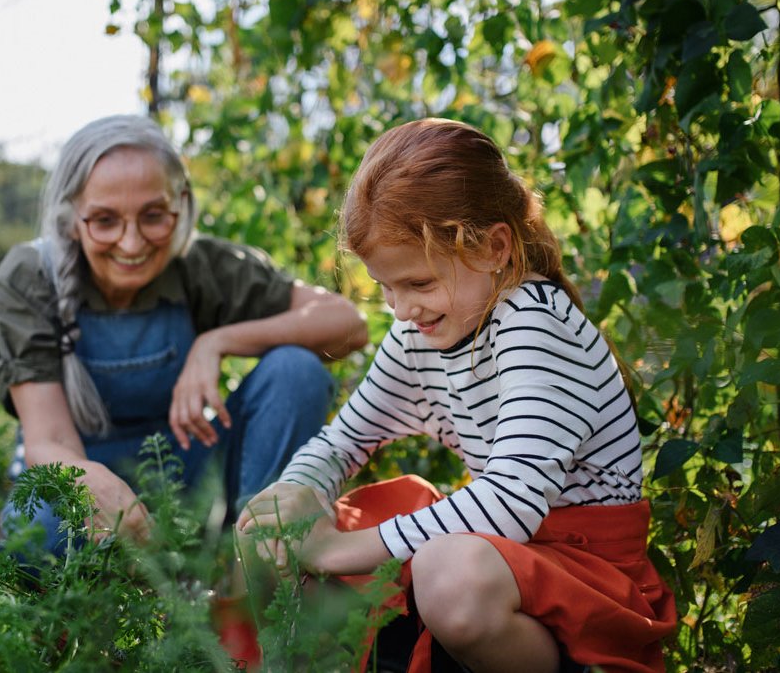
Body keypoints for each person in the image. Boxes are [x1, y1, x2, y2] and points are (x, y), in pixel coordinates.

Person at [238, 118, 677, 673]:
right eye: (385, 287)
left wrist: (335, 548)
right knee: (269, 524)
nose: (400, 308)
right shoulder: (422, 331)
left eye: (419, 284)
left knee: (449, 574)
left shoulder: (535, 325)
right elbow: (344, 441)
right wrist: (300, 490)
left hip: (584, 574)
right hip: (502, 554)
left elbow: (510, 504)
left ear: (494, 247)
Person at [0, 114, 368, 552]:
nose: (131, 244)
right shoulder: (30, 276)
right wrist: (101, 494)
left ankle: (256, 555)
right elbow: (47, 442)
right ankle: (145, 571)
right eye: (105, 221)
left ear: (180, 205)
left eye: (153, 217)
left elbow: (347, 324)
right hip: (76, 472)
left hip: (185, 472)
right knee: (43, 534)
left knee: (295, 370)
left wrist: (216, 343)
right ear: (71, 217)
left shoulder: (200, 266)